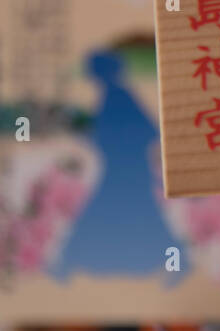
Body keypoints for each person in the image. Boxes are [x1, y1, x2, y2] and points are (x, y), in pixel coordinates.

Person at [52, 50, 187, 281]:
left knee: (111, 213)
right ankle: (67, 262)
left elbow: (146, 132)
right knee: (138, 215)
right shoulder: (112, 96)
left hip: (127, 170)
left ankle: (67, 262)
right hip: (122, 170)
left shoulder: (119, 96)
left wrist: (100, 137)